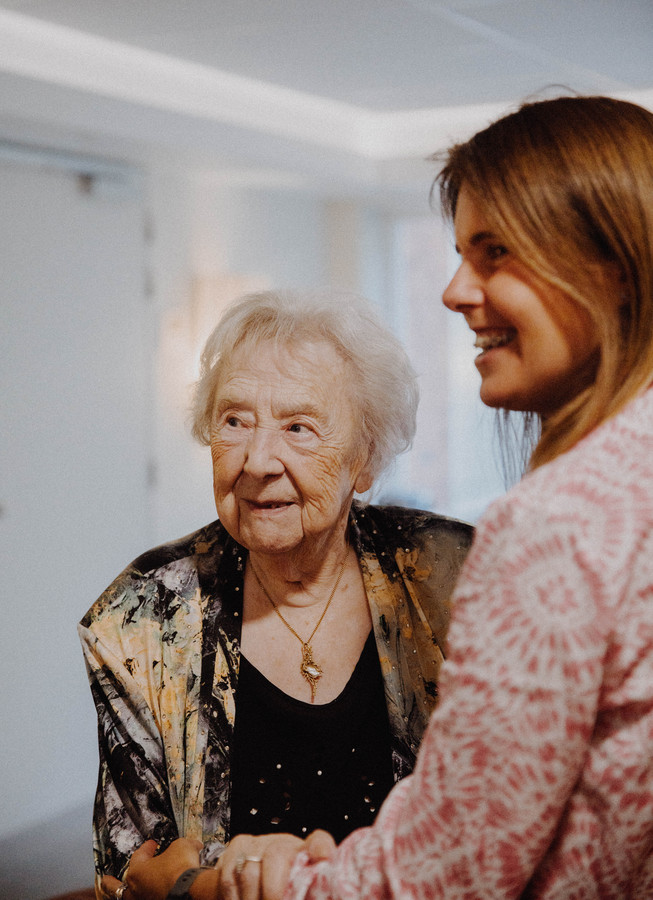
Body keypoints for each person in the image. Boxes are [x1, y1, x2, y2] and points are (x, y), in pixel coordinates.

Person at [119, 94, 653, 899]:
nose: (452, 291)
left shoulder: (538, 530)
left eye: (493, 251)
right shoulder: (140, 611)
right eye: (234, 420)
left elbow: (448, 874)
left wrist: (235, 886)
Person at [80, 288, 474, 900]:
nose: (258, 459)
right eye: (235, 421)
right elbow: (131, 876)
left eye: (299, 427)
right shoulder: (144, 616)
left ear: (364, 461)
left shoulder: (452, 577)